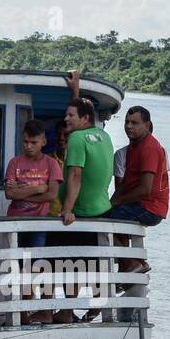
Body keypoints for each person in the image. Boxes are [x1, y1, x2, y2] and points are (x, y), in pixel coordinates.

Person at [56, 97, 114, 322]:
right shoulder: (104, 136)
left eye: (71, 115)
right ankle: (97, 302)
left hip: (82, 212)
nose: (66, 119)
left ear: (85, 118)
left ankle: (66, 311)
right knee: (93, 263)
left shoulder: (77, 138)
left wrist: (67, 209)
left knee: (69, 264)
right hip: (103, 208)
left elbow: (75, 175)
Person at [5, 119, 64, 323]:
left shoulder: (51, 164)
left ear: (44, 142)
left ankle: (34, 310)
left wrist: (22, 193)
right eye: (25, 142)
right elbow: (9, 193)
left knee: (36, 267)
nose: (28, 146)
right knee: (19, 268)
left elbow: (52, 195)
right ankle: (22, 313)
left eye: (33, 142)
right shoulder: (15, 162)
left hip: (39, 224)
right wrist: (38, 188)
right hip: (16, 224)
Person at [107, 106, 169, 274]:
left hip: (150, 207)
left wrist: (114, 203)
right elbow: (126, 184)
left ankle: (130, 263)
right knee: (107, 212)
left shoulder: (149, 148)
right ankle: (135, 262)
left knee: (105, 221)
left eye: (135, 123)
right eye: (127, 122)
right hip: (140, 203)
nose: (129, 126)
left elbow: (145, 189)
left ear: (147, 125)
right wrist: (109, 202)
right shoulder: (134, 146)